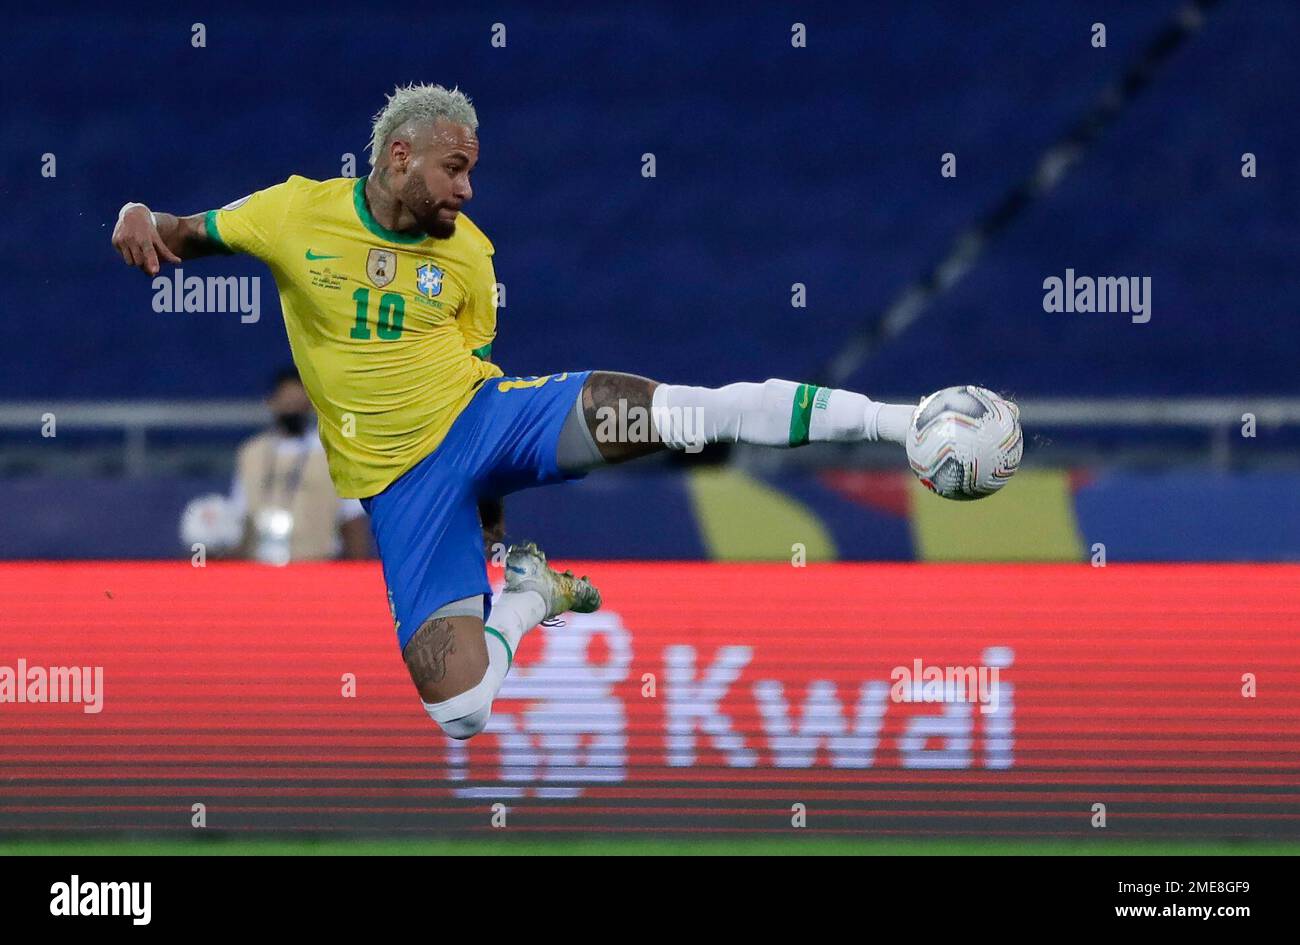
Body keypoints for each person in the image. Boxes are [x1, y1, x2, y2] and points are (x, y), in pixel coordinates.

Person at [110, 83, 928, 740]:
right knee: (459, 713)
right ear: (400, 157)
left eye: (472, 171)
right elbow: (182, 232)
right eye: (454, 168)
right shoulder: (295, 214)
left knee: (685, 413)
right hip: (397, 486)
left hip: (483, 420)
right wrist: (141, 214)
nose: (467, 189)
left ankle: (909, 421)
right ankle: (532, 594)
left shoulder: (469, 254)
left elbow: (476, 365)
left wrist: (491, 496)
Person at [231, 367, 372, 563]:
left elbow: (352, 518)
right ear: (271, 403)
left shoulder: (333, 452)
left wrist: (357, 573)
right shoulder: (251, 453)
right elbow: (240, 518)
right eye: (287, 403)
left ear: (310, 405)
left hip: (317, 564)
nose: (292, 410)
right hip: (260, 565)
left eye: (298, 403)